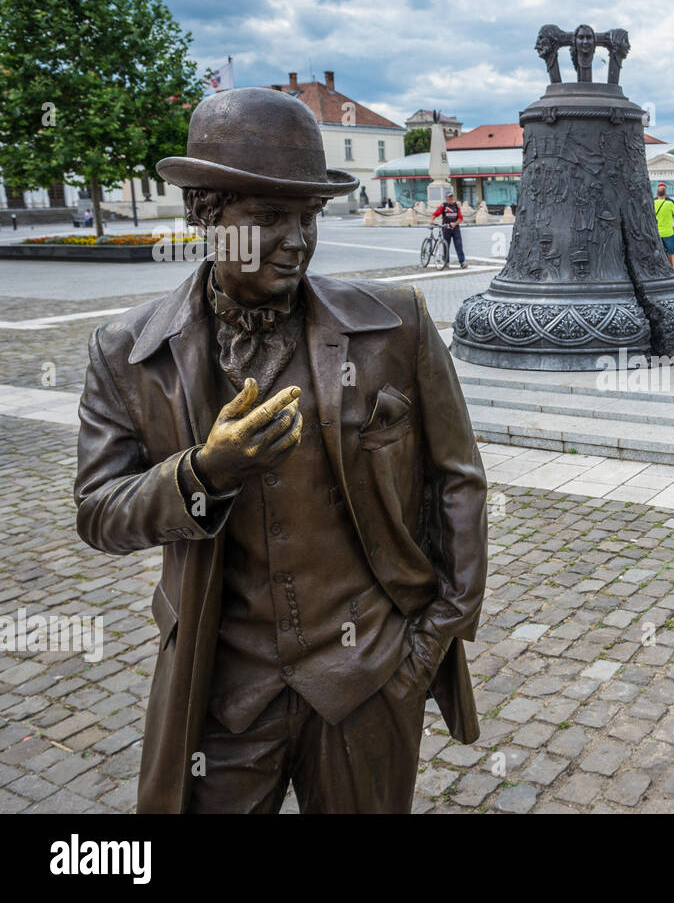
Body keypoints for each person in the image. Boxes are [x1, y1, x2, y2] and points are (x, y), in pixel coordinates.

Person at [75, 87, 488, 813]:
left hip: (367, 681)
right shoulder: (128, 354)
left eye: (309, 215)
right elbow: (99, 510)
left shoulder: (396, 325)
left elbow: (457, 481)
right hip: (224, 691)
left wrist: (427, 646)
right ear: (206, 215)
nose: (296, 238)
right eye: (268, 217)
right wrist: (203, 474)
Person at [430, 189, 466, 267]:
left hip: (456, 229)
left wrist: (455, 223)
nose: (451, 198)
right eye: (449, 197)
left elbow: (460, 218)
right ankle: (446, 262)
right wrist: (432, 220)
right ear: (446, 198)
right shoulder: (443, 206)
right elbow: (435, 214)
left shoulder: (456, 206)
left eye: (452, 196)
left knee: (459, 245)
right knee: (446, 246)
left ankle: (462, 262)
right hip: (446, 229)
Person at [653, 181, 674, 272]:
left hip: (656, 232)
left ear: (657, 192)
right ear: (665, 192)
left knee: (658, 252)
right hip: (668, 232)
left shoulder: (653, 202)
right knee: (672, 252)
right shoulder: (670, 202)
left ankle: (659, 270)